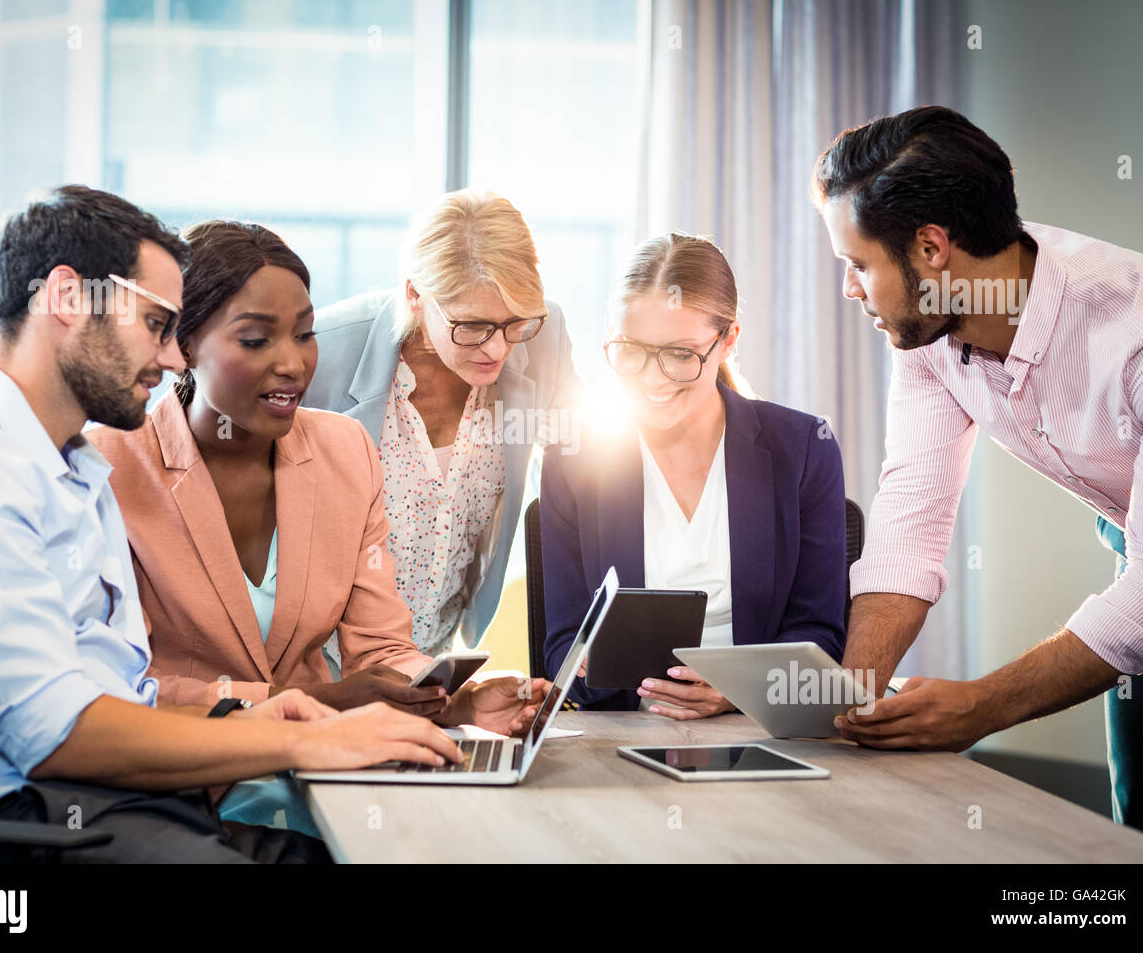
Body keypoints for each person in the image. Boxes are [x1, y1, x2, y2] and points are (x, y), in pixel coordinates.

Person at [0, 186, 463, 863]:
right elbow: (55, 732)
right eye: (156, 326)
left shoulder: (69, 472)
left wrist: (266, 714)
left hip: (117, 804)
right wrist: (303, 738)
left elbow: (119, 698)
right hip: (19, 829)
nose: (174, 359)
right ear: (67, 298)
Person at [811, 105, 1143, 844]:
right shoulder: (928, 332)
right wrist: (845, 703)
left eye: (858, 264)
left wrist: (981, 706)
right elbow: (908, 529)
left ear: (933, 247)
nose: (851, 289)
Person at [86, 220, 543, 776]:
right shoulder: (107, 465)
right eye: (256, 340)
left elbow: (379, 651)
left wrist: (449, 702)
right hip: (182, 782)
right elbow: (122, 686)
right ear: (182, 343)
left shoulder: (345, 450)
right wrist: (321, 704)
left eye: (303, 334)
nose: (292, 363)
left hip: (325, 774)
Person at [540, 234, 848, 714]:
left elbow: (822, 634)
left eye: (681, 355)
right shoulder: (575, 457)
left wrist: (740, 690)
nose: (652, 378)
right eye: (630, 350)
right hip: (624, 733)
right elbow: (560, 650)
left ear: (727, 341)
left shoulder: (804, 448)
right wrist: (588, 668)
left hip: (758, 727)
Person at [303, 190, 583, 662]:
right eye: (472, 326)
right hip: (319, 660)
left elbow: (587, 477)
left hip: (435, 659)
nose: (497, 349)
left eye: (514, 324)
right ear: (415, 295)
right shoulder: (324, 351)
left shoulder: (544, 335)